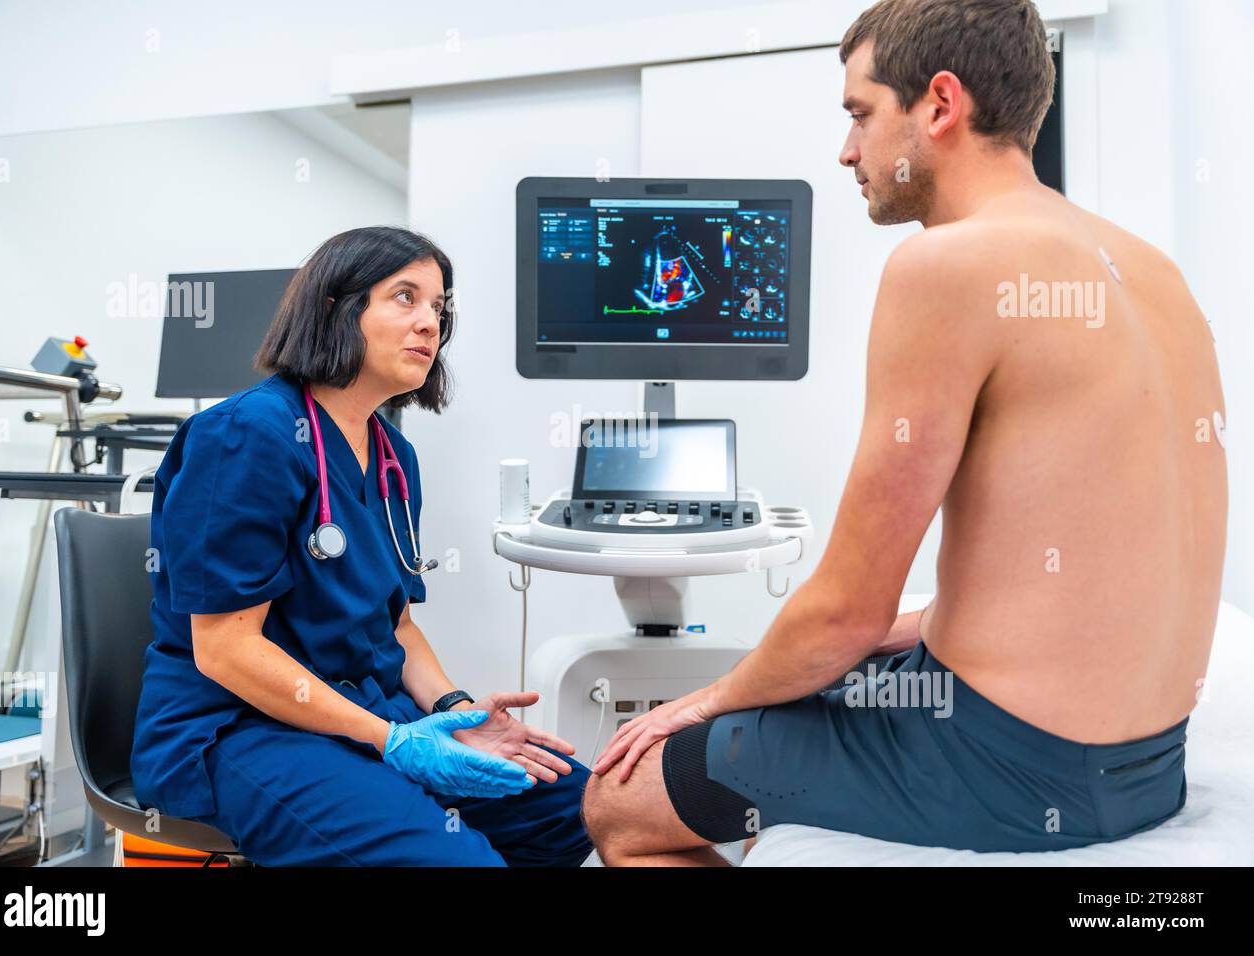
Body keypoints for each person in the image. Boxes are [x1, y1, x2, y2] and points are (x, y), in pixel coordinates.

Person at [583, 0, 1227, 864]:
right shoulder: (1156, 274)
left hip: (1014, 769)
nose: (848, 150)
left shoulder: (946, 264)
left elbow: (846, 614)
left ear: (940, 104)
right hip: (1150, 768)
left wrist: (702, 701)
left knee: (618, 801)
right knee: (811, 682)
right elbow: (1074, 585)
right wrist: (884, 641)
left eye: (860, 114)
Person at [130, 226, 592, 866]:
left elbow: (397, 625)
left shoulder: (394, 457)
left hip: (365, 714)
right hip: (237, 729)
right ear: (335, 308)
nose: (430, 323)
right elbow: (226, 649)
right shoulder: (245, 435)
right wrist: (392, 740)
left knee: (584, 807)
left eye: (439, 307)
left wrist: (456, 712)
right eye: (406, 297)